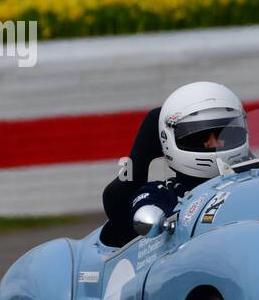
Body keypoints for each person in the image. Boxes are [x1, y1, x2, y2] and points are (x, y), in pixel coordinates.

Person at [100, 82, 250, 247]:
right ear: (168, 140)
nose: (215, 143)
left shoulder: (255, 179)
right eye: (200, 137)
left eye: (226, 133)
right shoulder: (160, 194)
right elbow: (144, 213)